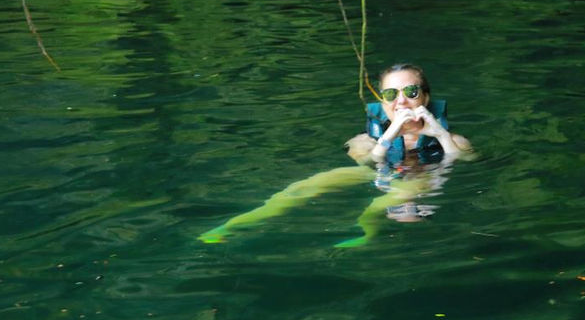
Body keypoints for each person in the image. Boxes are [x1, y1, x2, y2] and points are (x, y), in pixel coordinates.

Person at [198, 64, 471, 247]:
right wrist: (390, 135)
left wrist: (440, 134)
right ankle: (231, 226)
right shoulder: (363, 140)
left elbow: (464, 161)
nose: (401, 101)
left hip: (425, 176)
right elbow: (370, 163)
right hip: (380, 172)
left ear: (425, 97)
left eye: (411, 92)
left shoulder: (455, 141)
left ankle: (366, 231)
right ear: (383, 100)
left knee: (398, 200)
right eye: (390, 94)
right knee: (302, 188)